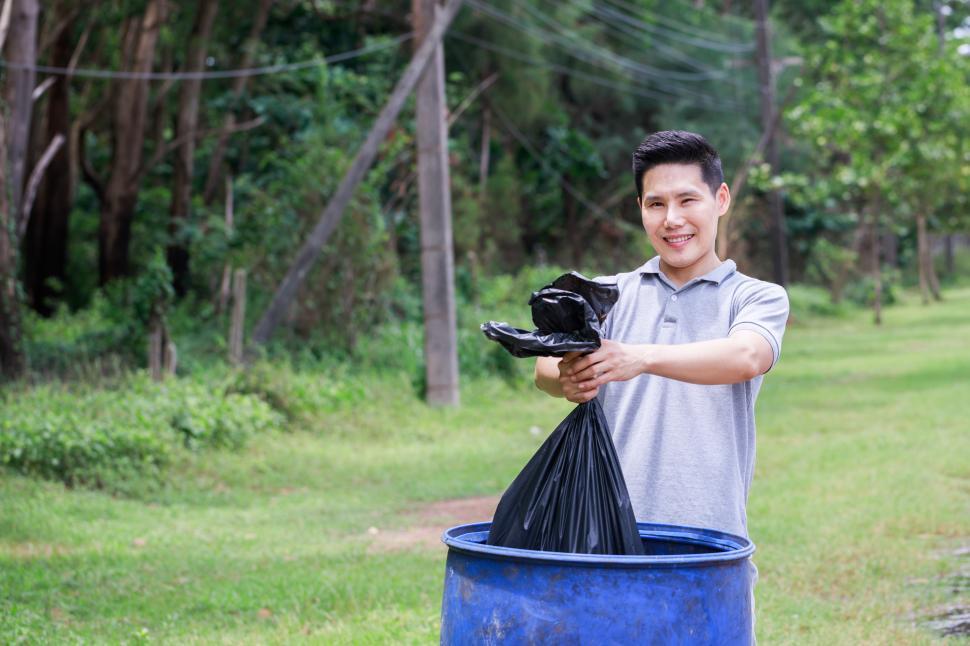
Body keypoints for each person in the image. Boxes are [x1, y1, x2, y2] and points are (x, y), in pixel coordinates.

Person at [534, 130, 790, 541]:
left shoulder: (754, 296)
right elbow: (545, 361)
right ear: (640, 209)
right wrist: (565, 376)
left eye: (688, 200)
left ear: (720, 199)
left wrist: (641, 358)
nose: (672, 219)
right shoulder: (607, 294)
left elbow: (747, 356)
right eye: (656, 204)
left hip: (708, 541)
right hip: (606, 536)